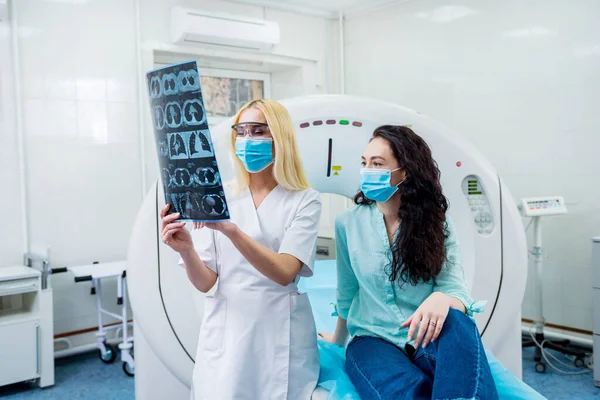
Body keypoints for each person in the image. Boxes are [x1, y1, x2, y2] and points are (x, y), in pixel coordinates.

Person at [319, 125, 498, 399]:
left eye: (378, 164)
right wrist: (337, 341)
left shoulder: (436, 224)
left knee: (458, 321)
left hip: (428, 333)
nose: (367, 171)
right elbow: (347, 293)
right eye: (364, 163)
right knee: (410, 391)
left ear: (404, 172)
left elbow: (456, 290)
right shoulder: (348, 223)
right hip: (372, 339)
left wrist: (443, 299)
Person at [160, 99, 322, 400]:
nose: (248, 140)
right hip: (227, 327)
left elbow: (285, 272)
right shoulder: (220, 196)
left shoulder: (304, 200)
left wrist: (231, 231)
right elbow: (207, 281)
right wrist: (186, 251)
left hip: (278, 330)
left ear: (279, 138)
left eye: (258, 131)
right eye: (242, 131)